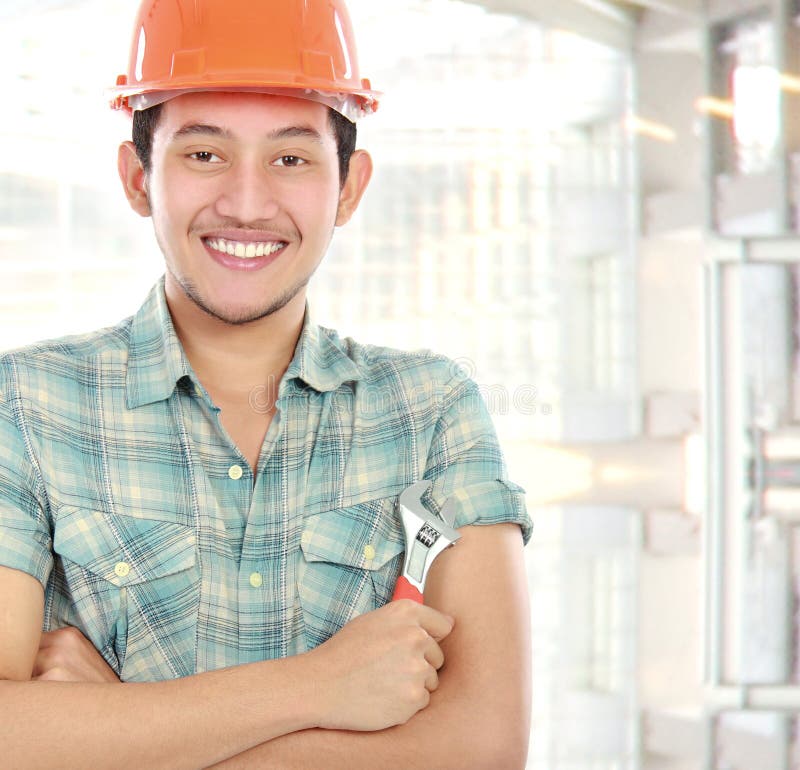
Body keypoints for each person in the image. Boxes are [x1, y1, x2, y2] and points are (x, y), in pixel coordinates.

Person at [0, 0, 533, 767]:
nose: (247, 204)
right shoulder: (24, 405)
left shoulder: (432, 410)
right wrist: (316, 686)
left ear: (349, 187)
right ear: (138, 177)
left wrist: (111, 725)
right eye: (204, 155)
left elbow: (484, 748)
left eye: (291, 159)